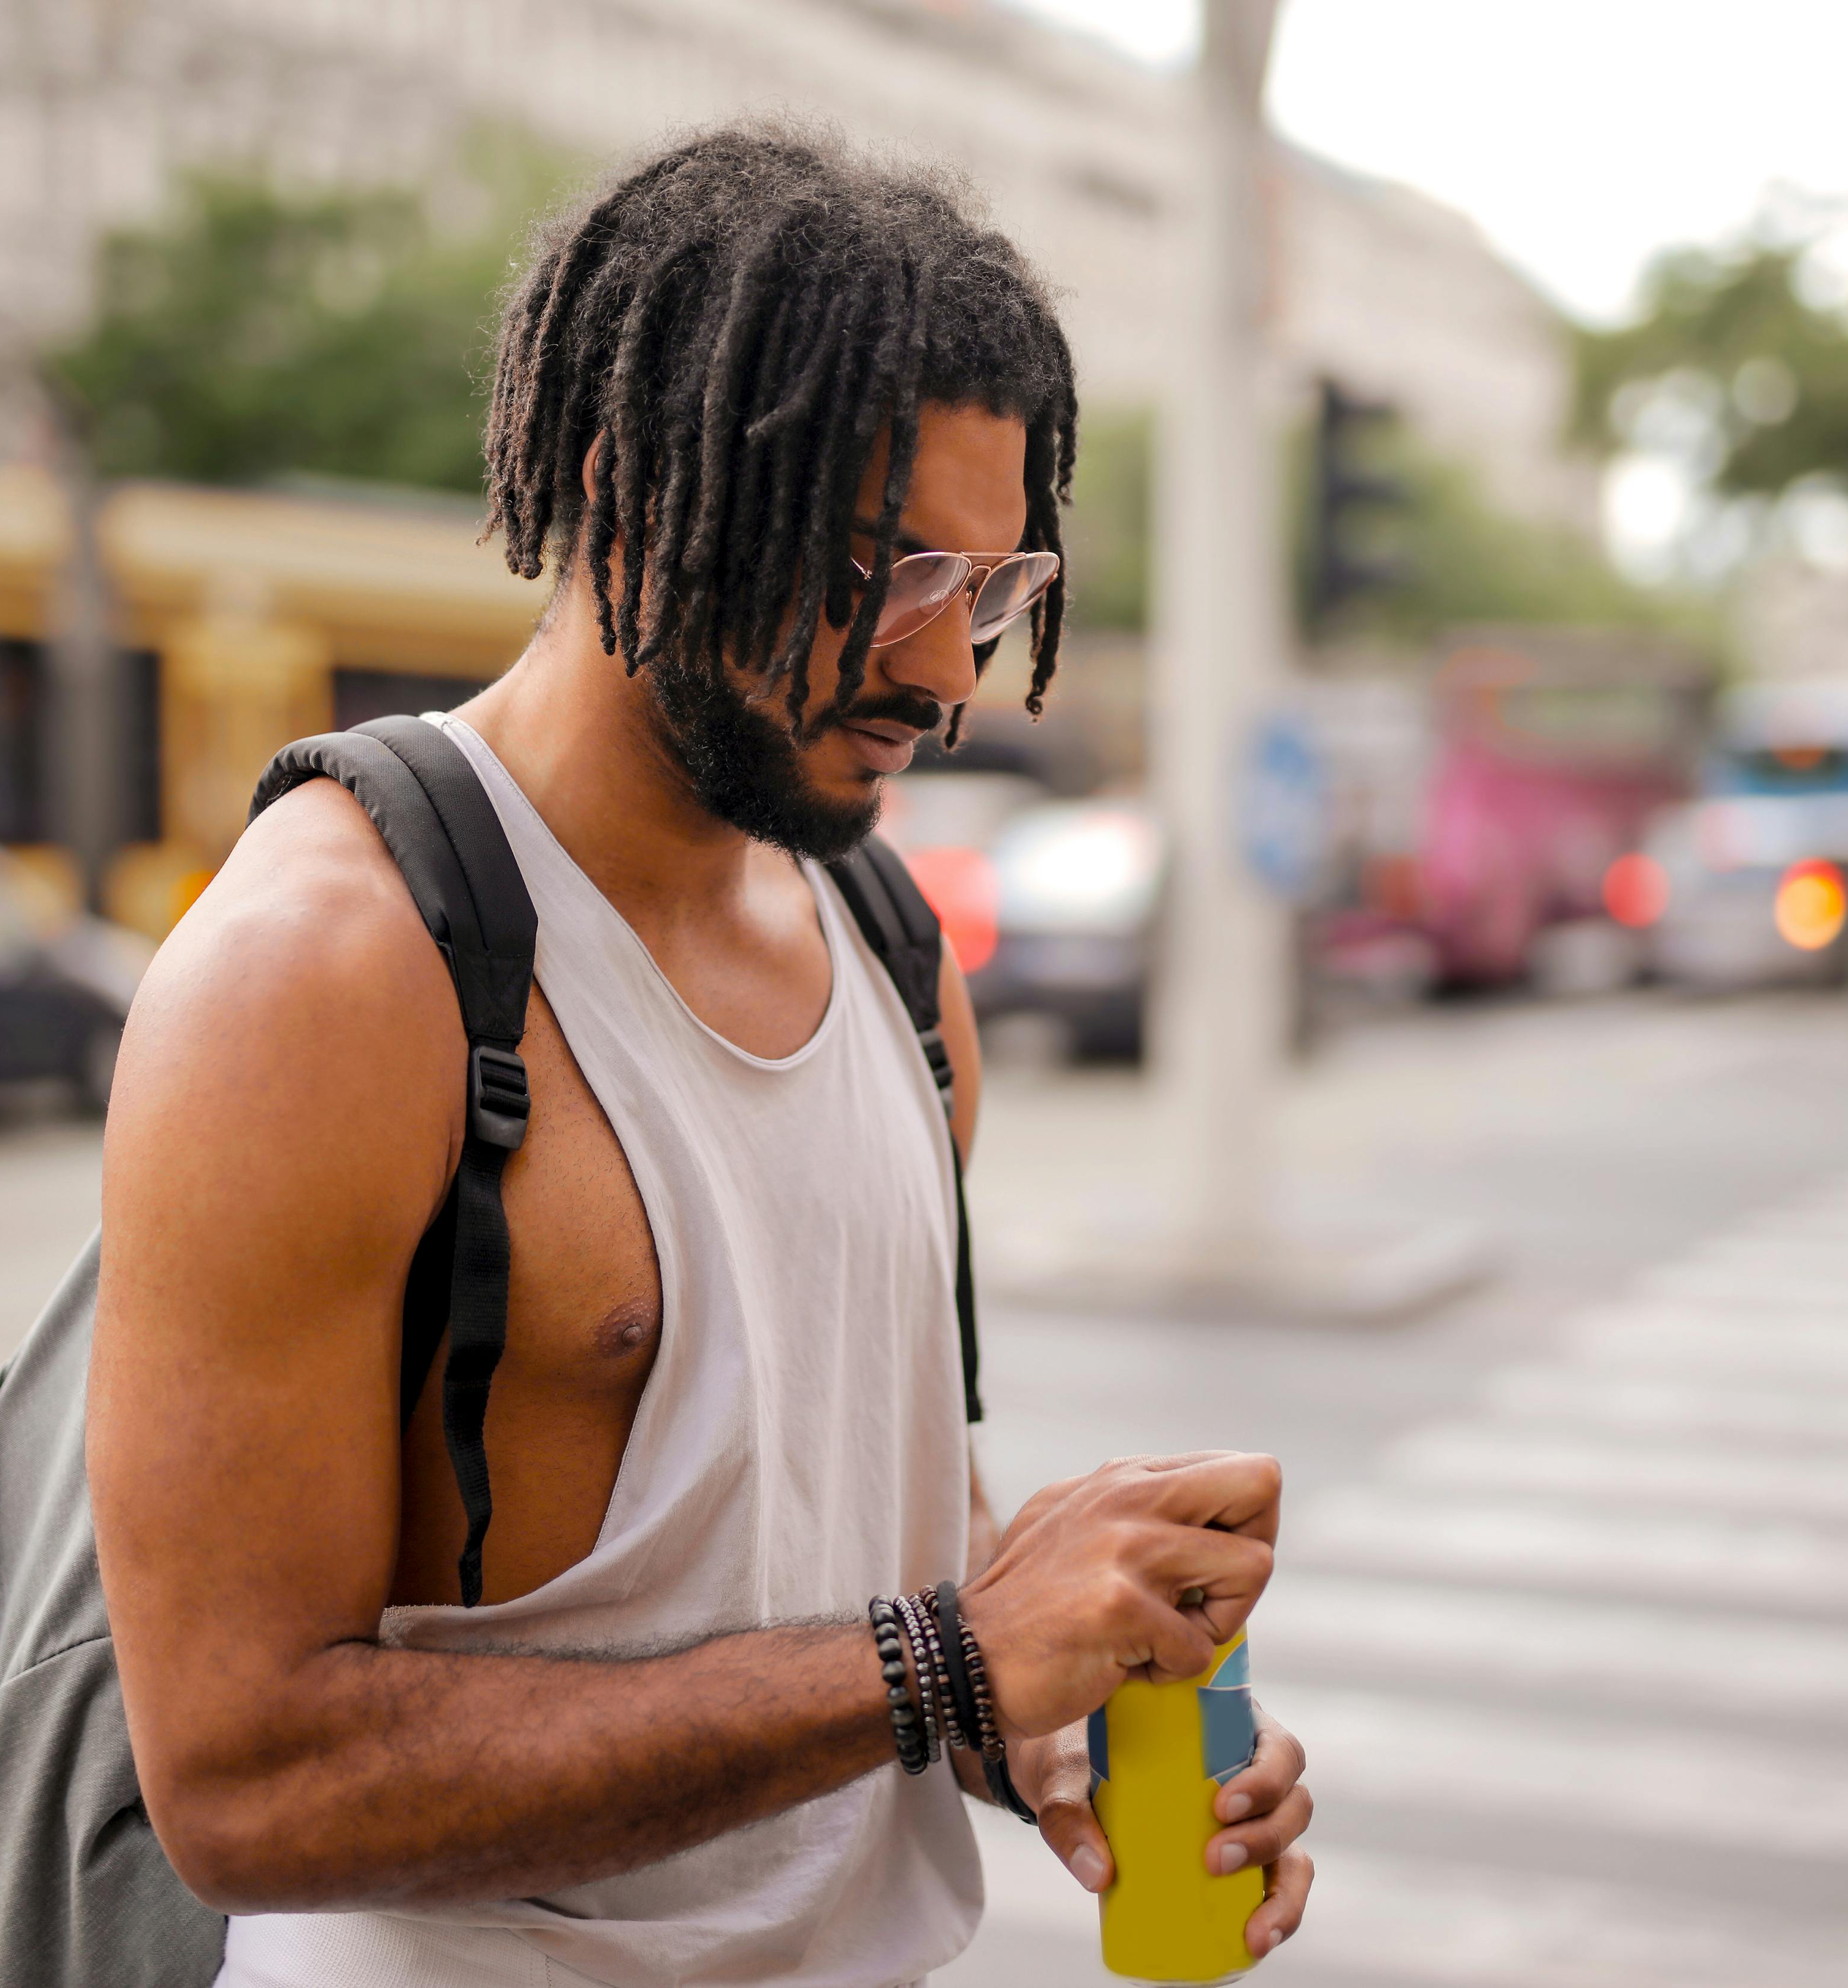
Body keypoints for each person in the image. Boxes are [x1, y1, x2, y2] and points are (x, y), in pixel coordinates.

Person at [86, 125, 1315, 1988]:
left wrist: (1046, 1712)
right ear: (625, 490)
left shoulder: (897, 962)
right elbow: (246, 1785)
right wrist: (944, 1663)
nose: (947, 673)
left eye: (988, 590)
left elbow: (843, 1561)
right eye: (883, 572)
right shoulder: (327, 974)